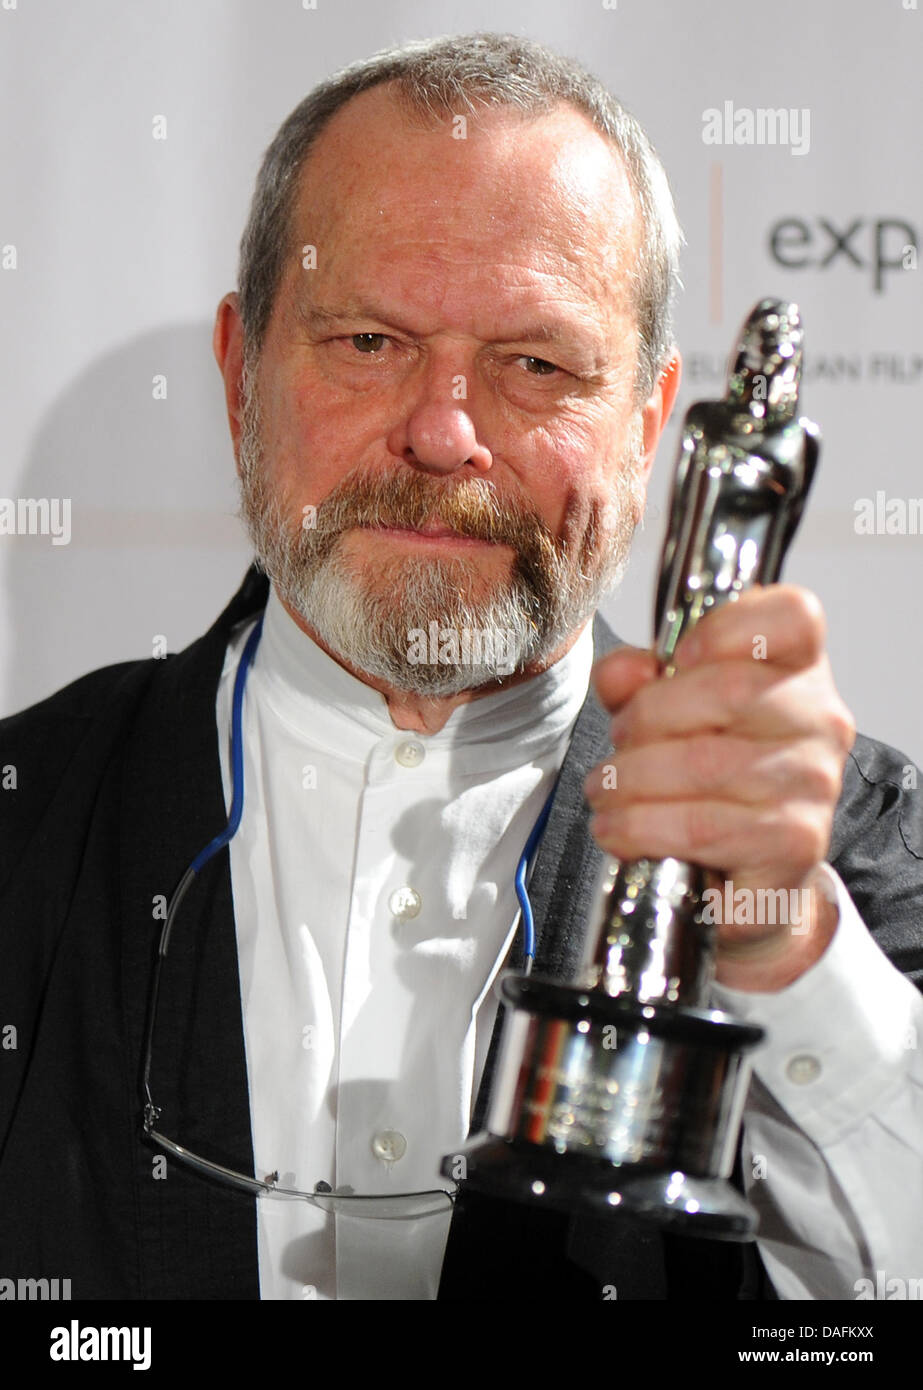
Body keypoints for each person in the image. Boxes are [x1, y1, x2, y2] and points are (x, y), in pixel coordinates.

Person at [1, 32, 921, 1303]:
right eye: (368, 341)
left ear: (652, 425)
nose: (442, 435)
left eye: (534, 365)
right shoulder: (23, 813)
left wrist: (791, 954)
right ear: (236, 374)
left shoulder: (862, 861)